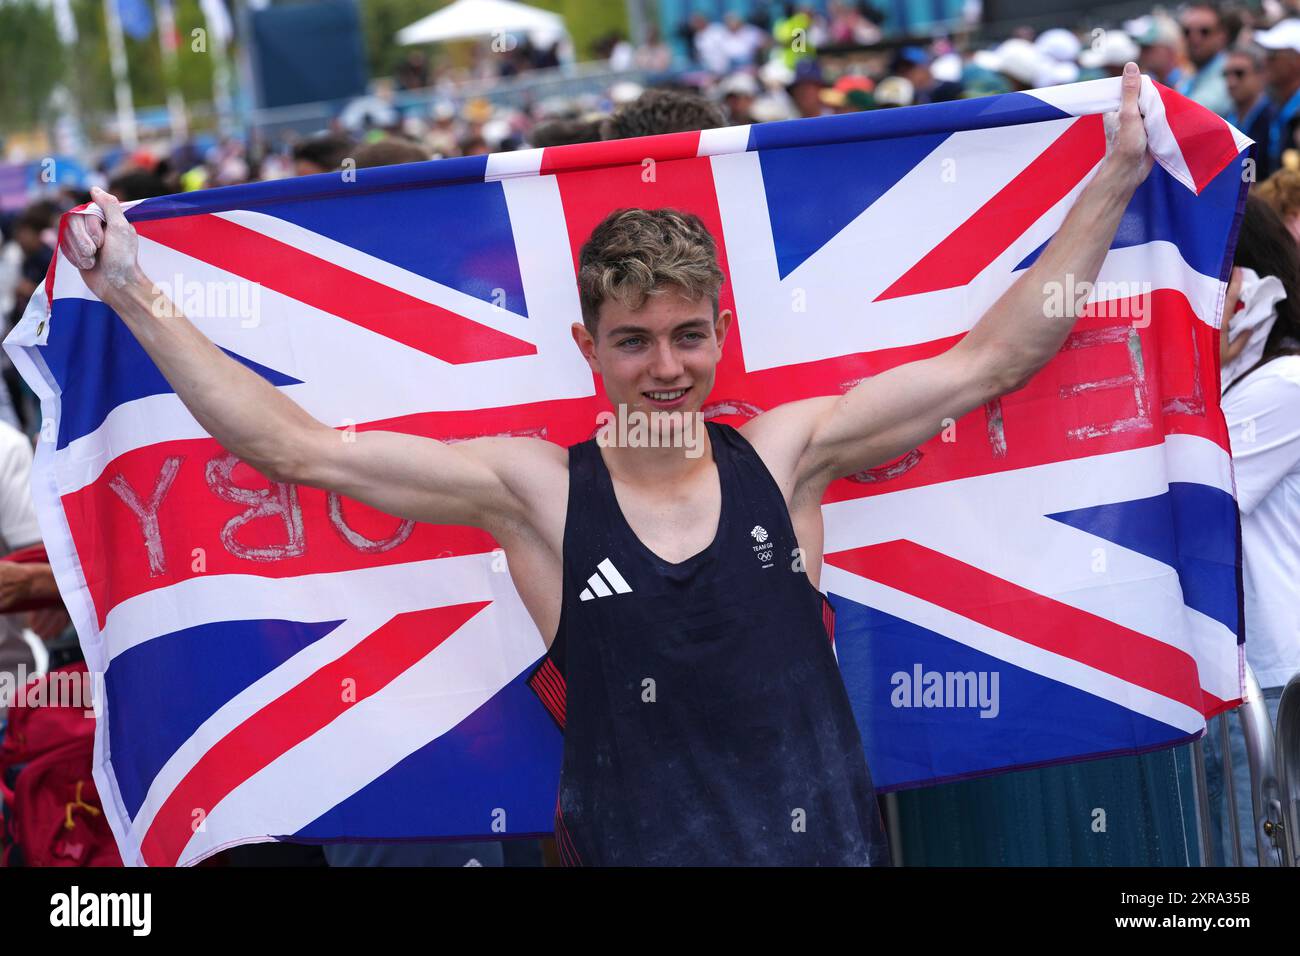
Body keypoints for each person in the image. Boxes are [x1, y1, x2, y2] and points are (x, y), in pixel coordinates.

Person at [59, 63, 1155, 866]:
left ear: (722, 334)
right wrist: (133, 291)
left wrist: (1116, 171)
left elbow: (995, 357)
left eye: (687, 336)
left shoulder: (787, 453)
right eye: (634, 340)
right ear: (589, 349)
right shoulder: (535, 490)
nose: (665, 368)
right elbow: (287, 446)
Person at [1202, 195, 1300, 865]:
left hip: (1272, 684)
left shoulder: (1285, 383)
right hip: (1241, 687)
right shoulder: (1242, 389)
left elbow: (1197, 494)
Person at [1177, 2, 1233, 117]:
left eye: (1204, 31)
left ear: (1221, 36)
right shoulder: (1191, 74)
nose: (1194, 38)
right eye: (1187, 32)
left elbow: (1188, 115)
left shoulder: (1230, 74)